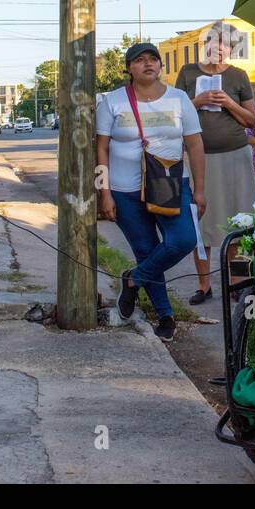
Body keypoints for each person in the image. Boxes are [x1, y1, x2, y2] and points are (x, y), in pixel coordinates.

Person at [96, 42, 207, 342]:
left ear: (160, 66)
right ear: (129, 68)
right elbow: (101, 148)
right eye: (140, 60)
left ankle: (132, 281)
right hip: (124, 190)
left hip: (171, 186)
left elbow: (195, 145)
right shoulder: (113, 102)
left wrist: (199, 189)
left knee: (182, 240)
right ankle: (166, 316)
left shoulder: (179, 99)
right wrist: (103, 191)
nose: (148, 64)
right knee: (146, 250)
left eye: (153, 59)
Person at [175, 23, 255, 304]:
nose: (219, 47)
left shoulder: (238, 76)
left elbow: (252, 120)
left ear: (232, 49)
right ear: (206, 44)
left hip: (235, 157)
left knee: (239, 221)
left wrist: (229, 104)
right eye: (215, 41)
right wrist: (197, 101)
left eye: (226, 43)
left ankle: (239, 283)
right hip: (199, 159)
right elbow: (174, 113)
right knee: (201, 222)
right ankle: (204, 285)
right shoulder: (187, 72)